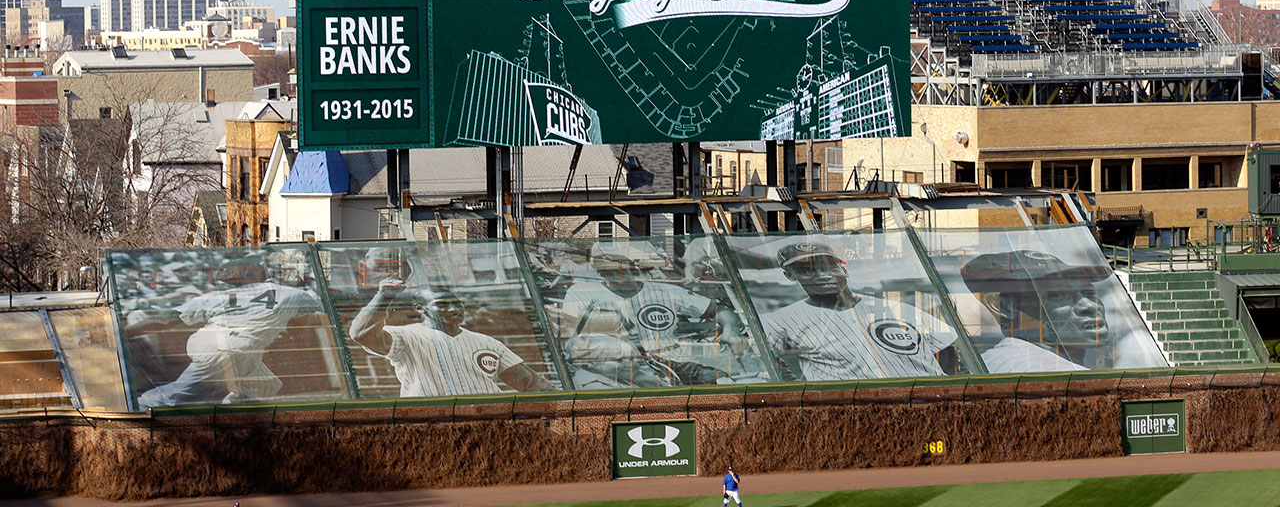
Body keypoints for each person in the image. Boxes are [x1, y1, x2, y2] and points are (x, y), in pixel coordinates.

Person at [137, 258, 323, 408]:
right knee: (176, 396)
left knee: (266, 386)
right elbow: (311, 312)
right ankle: (140, 409)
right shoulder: (289, 293)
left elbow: (170, 317)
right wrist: (294, 330)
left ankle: (232, 417)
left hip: (219, 345)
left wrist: (133, 327)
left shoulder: (220, 296)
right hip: (230, 348)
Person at [558, 243, 749, 388]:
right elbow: (569, 344)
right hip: (617, 366)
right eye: (607, 272)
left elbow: (720, 311)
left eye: (621, 270)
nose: (616, 277)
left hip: (674, 359)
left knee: (724, 382)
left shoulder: (665, 291)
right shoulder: (582, 293)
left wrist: (731, 329)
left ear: (634, 268)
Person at [761, 241, 958, 381]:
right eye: (807, 269)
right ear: (790, 275)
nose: (823, 275)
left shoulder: (898, 309)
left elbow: (948, 347)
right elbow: (774, 369)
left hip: (925, 408)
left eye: (828, 265)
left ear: (842, 268)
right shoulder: (780, 321)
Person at [350, 279, 553, 396]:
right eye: (443, 304)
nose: (454, 309)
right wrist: (383, 297)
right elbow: (361, 334)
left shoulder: (486, 342)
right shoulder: (407, 336)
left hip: (487, 422)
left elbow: (531, 384)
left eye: (457, 303)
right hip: (431, 424)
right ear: (420, 308)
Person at [959, 250, 1111, 371]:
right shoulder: (1050, 372)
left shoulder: (990, 362)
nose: (1090, 306)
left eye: (1089, 293)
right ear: (1003, 307)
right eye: (1058, 295)